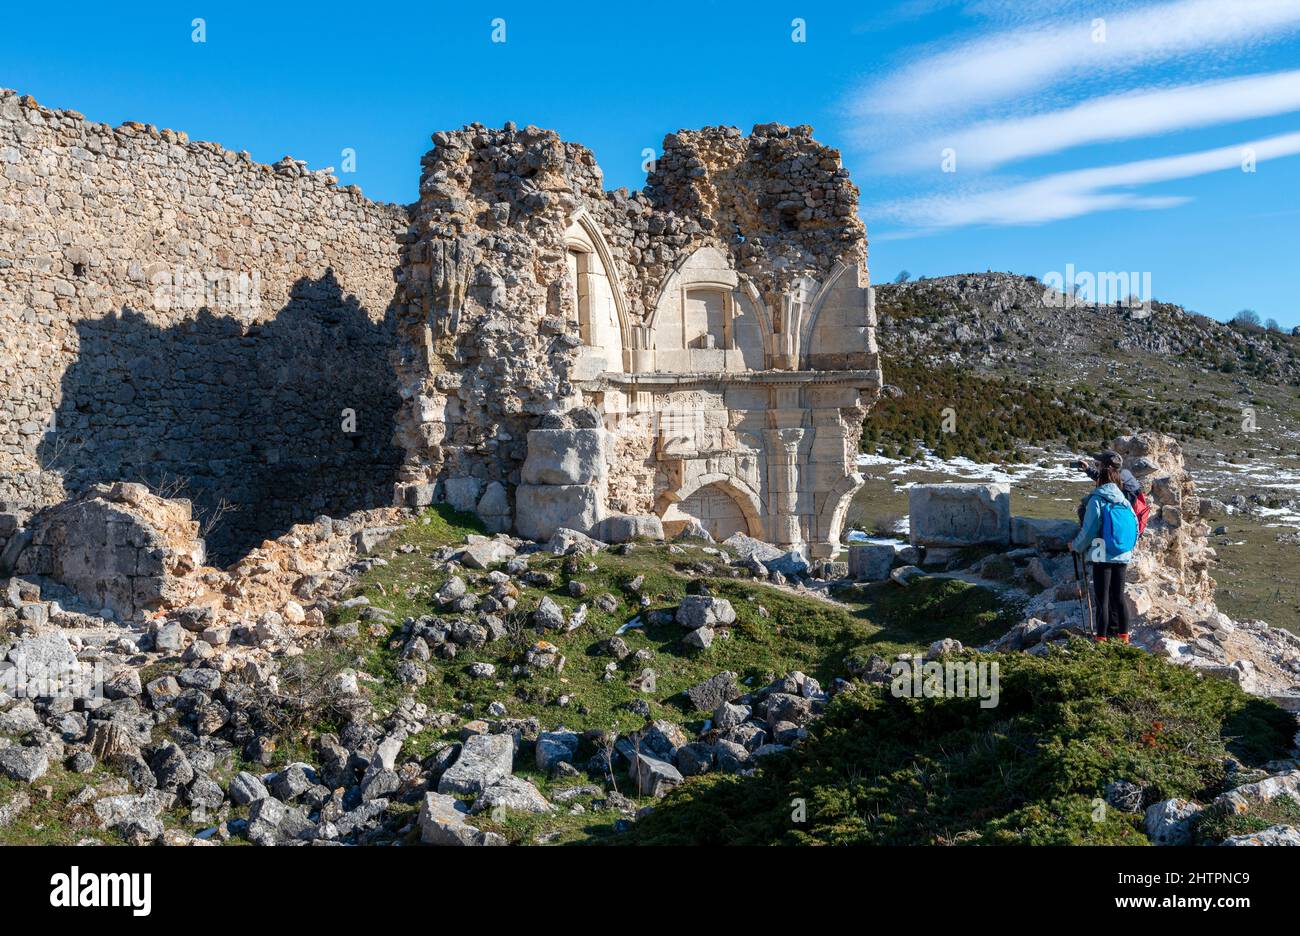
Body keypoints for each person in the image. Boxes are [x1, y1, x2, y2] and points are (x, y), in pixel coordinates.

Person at [1070, 451, 1138, 642]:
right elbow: (1134, 526)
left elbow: (1089, 530)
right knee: (1118, 598)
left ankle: (1101, 639)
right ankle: (1123, 638)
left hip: (1101, 552)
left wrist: (1075, 546)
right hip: (1122, 553)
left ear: (1100, 480)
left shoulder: (1097, 500)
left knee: (1102, 599)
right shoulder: (1124, 500)